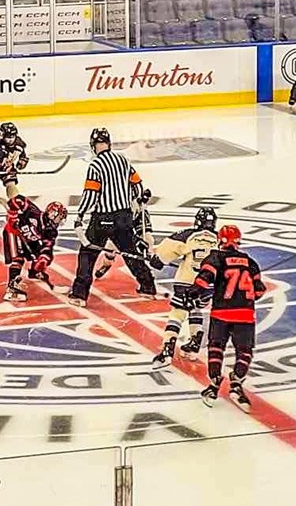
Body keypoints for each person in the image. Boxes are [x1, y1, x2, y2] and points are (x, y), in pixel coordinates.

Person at [69, 128, 159, 305]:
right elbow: (138, 185)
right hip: (124, 217)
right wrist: (134, 202)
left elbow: (91, 194)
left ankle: (79, 294)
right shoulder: (122, 160)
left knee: (88, 253)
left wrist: (80, 215)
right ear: (109, 143)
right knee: (130, 252)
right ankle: (148, 287)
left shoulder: (95, 165)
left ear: (93, 146)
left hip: (102, 218)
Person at [192, 224, 263, 412]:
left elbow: (205, 276)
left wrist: (194, 290)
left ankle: (214, 385)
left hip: (221, 312)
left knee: (216, 347)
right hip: (245, 314)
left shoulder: (216, 257)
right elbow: (260, 291)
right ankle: (237, 383)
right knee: (245, 350)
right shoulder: (250, 262)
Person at [150, 207, 220, 368]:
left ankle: (167, 349)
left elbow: (165, 252)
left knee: (178, 313)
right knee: (196, 307)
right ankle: (195, 341)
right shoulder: (219, 239)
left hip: (187, 281)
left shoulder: (188, 235)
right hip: (209, 284)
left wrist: (157, 260)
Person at [1, 196, 67, 301]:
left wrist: (42, 261)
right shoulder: (34, 213)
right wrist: (12, 214)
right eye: (59, 218)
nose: (59, 221)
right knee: (18, 259)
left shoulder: (51, 232)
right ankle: (11, 288)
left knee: (38, 252)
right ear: (52, 214)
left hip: (28, 238)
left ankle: (34, 271)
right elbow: (18, 200)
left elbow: (47, 248)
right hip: (13, 233)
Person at [0, 121, 28, 198]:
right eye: (8, 137)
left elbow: (23, 155)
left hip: (7, 168)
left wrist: (22, 161)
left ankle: (14, 202)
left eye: (13, 136)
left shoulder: (19, 143)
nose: (11, 139)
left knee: (11, 183)